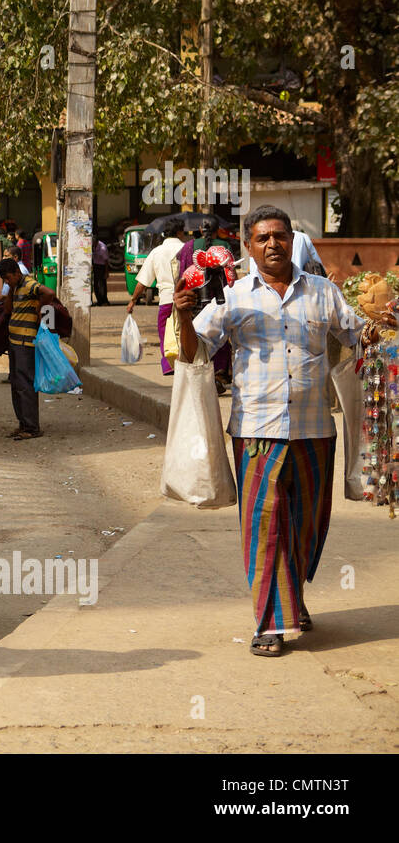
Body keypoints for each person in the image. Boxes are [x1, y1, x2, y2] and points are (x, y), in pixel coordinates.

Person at [174, 205, 386, 658]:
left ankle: (293, 599)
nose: (273, 244)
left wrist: (382, 324)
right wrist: (180, 314)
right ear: (248, 246)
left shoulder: (324, 293)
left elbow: (357, 337)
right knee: (265, 526)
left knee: (308, 526)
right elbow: (196, 353)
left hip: (314, 431)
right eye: (263, 237)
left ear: (293, 241)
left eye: (281, 236)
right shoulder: (233, 298)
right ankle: (269, 623)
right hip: (256, 431)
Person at [0, 257, 58, 440]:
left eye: (8, 278)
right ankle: (23, 423)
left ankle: (31, 427)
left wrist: (41, 308)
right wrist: (11, 289)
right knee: (17, 384)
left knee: (25, 384)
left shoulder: (30, 284)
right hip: (15, 341)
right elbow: (8, 310)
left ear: (17, 273)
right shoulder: (16, 287)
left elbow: (49, 292)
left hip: (26, 342)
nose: (7, 282)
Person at [126, 217, 187, 376]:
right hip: (186, 299)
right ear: (180, 232)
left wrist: (133, 300)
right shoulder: (187, 248)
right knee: (186, 332)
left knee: (165, 333)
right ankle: (185, 363)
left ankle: (169, 366)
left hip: (166, 300)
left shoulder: (156, 252)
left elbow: (143, 282)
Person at [177, 217, 233, 384]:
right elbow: (231, 276)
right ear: (217, 229)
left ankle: (203, 373)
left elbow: (183, 273)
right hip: (219, 298)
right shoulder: (225, 246)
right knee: (220, 334)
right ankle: (220, 371)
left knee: (200, 335)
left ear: (201, 229)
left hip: (195, 298)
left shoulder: (188, 247)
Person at [92, 238, 109, 306]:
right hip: (95, 265)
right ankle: (99, 301)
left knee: (101, 285)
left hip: (102, 267)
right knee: (96, 285)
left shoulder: (103, 248)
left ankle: (104, 301)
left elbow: (106, 261)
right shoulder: (92, 246)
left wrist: (106, 272)